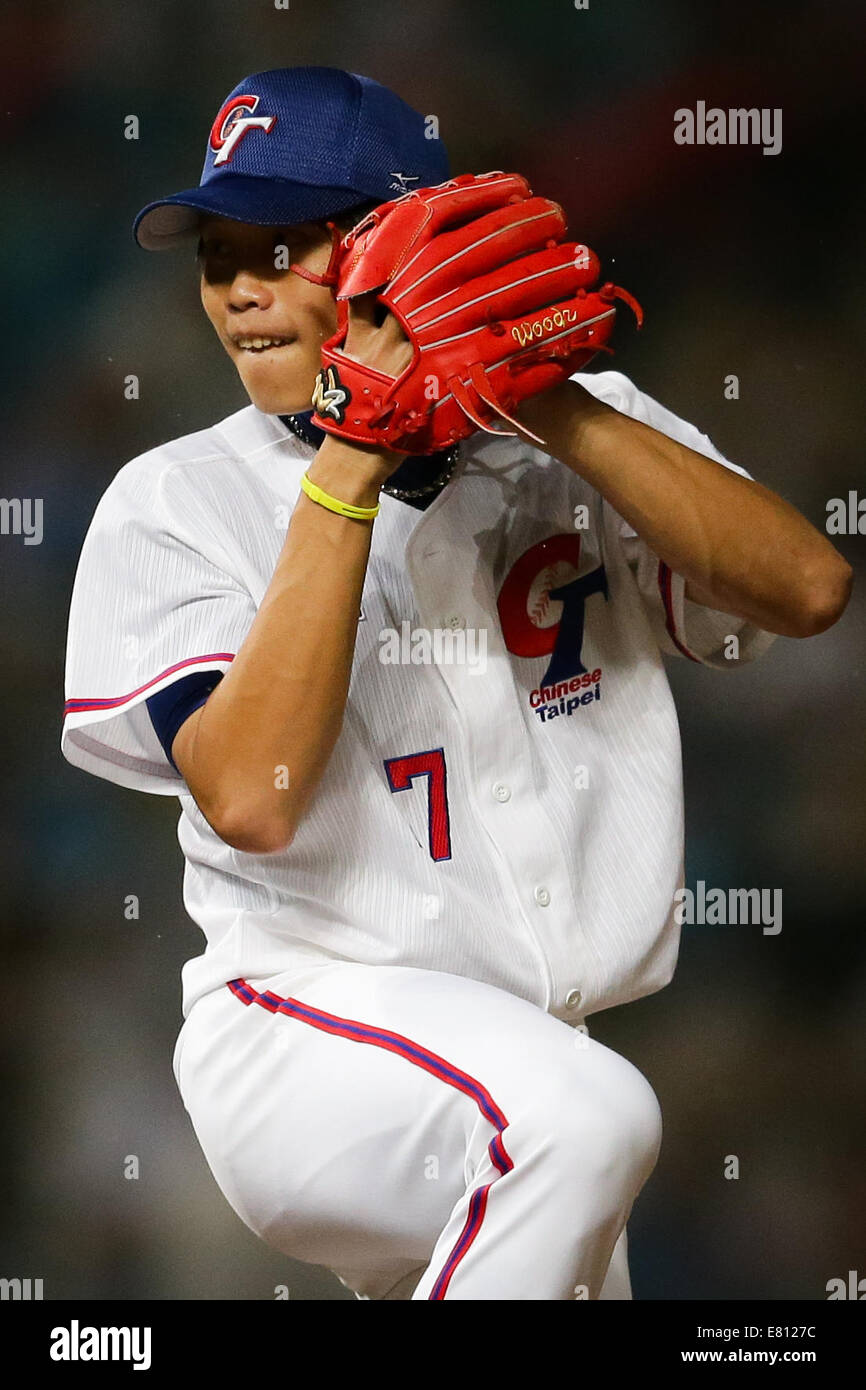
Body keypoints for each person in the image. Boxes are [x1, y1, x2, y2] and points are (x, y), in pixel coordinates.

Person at [61, 66, 852, 1301]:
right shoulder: (181, 498)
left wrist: (541, 394)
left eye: (284, 242)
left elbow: (804, 589)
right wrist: (352, 455)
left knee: (570, 1127)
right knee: (584, 1121)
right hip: (304, 1033)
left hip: (524, 1066)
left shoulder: (588, 432)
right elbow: (252, 800)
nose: (238, 288)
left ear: (405, 240)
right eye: (217, 253)